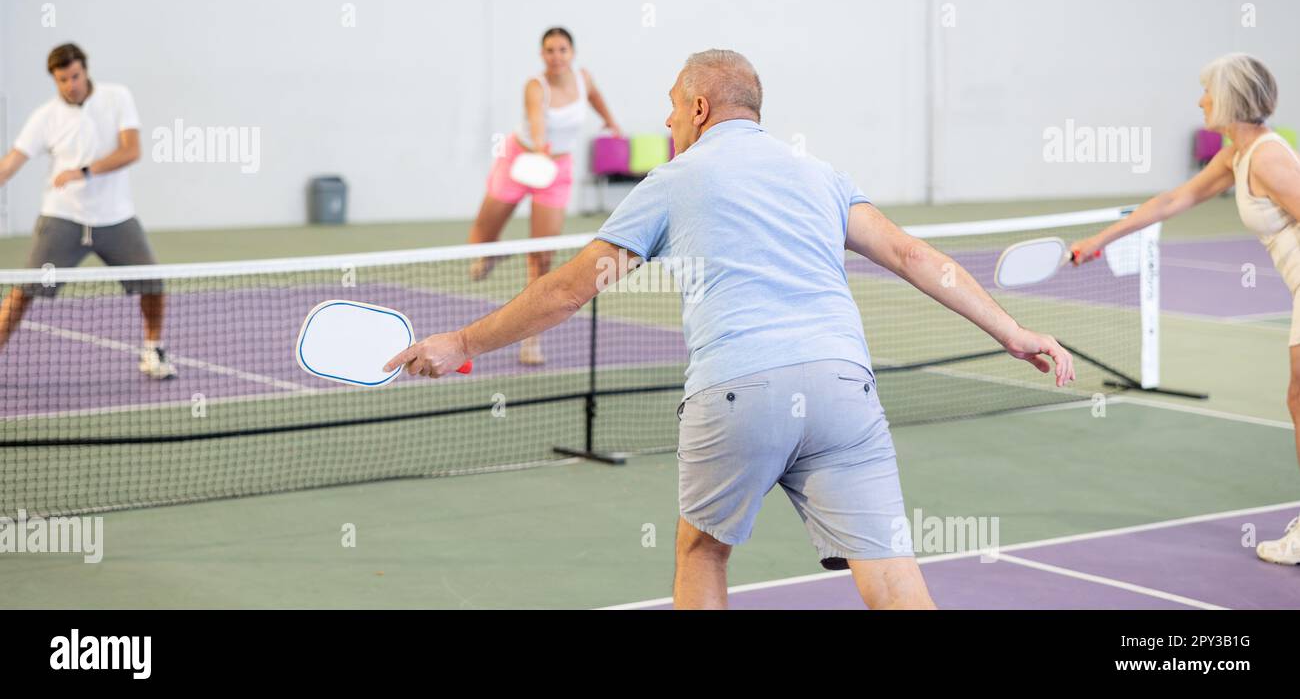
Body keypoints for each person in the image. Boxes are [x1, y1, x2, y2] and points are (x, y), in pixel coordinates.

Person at [388, 49, 1074, 608]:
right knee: (892, 578)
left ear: (697, 107)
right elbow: (915, 257)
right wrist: (1012, 332)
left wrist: (463, 343)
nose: (666, 120)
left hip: (739, 389)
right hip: (843, 388)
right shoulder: (820, 174)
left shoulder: (673, 179)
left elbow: (569, 290)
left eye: (670, 106)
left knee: (701, 552)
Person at [1072, 53, 1300, 565]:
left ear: (1231, 100)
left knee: (1298, 396)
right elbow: (1172, 202)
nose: (1200, 100)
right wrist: (1101, 240)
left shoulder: (1266, 157)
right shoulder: (1235, 156)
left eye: (1207, 93)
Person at [0, 43, 174, 379]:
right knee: (24, 292)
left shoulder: (117, 97)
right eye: (62, 79)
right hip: (63, 217)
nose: (70, 85)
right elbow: (9, 165)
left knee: (152, 282)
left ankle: (153, 351)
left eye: (75, 76)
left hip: (115, 217)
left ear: (86, 70)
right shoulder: (44, 117)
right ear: (55, 80)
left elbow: (131, 151)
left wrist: (83, 171)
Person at [468, 27, 621, 365]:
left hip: (557, 171)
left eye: (562, 50)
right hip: (519, 160)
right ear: (542, 55)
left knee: (541, 258)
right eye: (549, 50)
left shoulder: (583, 79)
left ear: (572, 53)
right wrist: (539, 147)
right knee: (478, 238)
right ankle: (492, 254)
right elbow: (536, 119)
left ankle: (531, 342)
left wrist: (611, 121)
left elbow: (595, 98)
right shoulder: (535, 85)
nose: (556, 56)